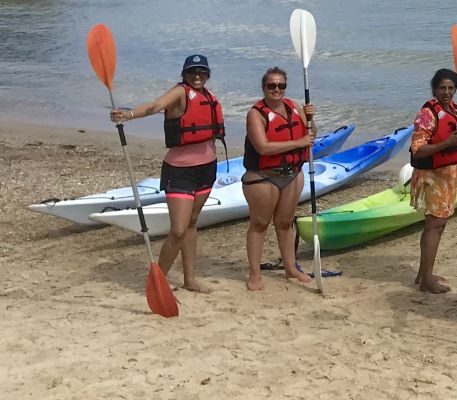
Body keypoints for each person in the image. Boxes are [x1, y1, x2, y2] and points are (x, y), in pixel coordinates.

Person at [108, 54, 225, 294]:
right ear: (184, 74)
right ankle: (157, 281)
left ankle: (189, 279)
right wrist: (128, 115)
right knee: (179, 229)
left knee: (192, 224)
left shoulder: (208, 97)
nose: (197, 75)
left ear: (207, 74)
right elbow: (154, 106)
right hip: (180, 171)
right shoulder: (180, 93)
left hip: (207, 168)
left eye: (202, 72)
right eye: (192, 72)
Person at [242, 67, 316, 291]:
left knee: (285, 223)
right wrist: (299, 143)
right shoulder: (256, 113)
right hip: (262, 178)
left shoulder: (294, 106)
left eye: (281, 85)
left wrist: (311, 119)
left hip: (292, 174)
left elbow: (310, 136)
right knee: (260, 224)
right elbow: (263, 148)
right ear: (264, 87)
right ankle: (255, 274)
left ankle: (290, 267)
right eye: (271, 85)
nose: (276, 89)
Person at [410, 69, 457, 294]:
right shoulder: (427, 114)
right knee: (435, 226)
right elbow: (417, 150)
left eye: (451, 88)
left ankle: (423, 274)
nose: (447, 92)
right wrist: (446, 143)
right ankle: (427, 280)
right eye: (442, 88)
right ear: (434, 89)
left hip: (448, 176)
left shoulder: (453, 111)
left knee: (435, 225)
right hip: (433, 178)